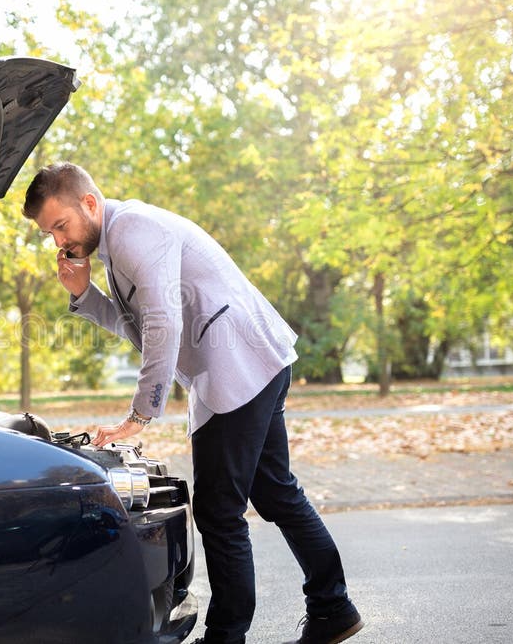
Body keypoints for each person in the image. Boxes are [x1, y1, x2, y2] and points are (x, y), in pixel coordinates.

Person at [23, 162, 362, 644]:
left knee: (220, 512)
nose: (59, 241)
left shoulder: (135, 231)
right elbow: (137, 329)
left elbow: (164, 324)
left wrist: (141, 413)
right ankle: (333, 607)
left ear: (90, 204)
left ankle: (228, 635)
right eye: (49, 233)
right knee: (275, 493)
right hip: (250, 365)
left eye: (61, 225)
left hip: (238, 369)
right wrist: (83, 295)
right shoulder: (116, 248)